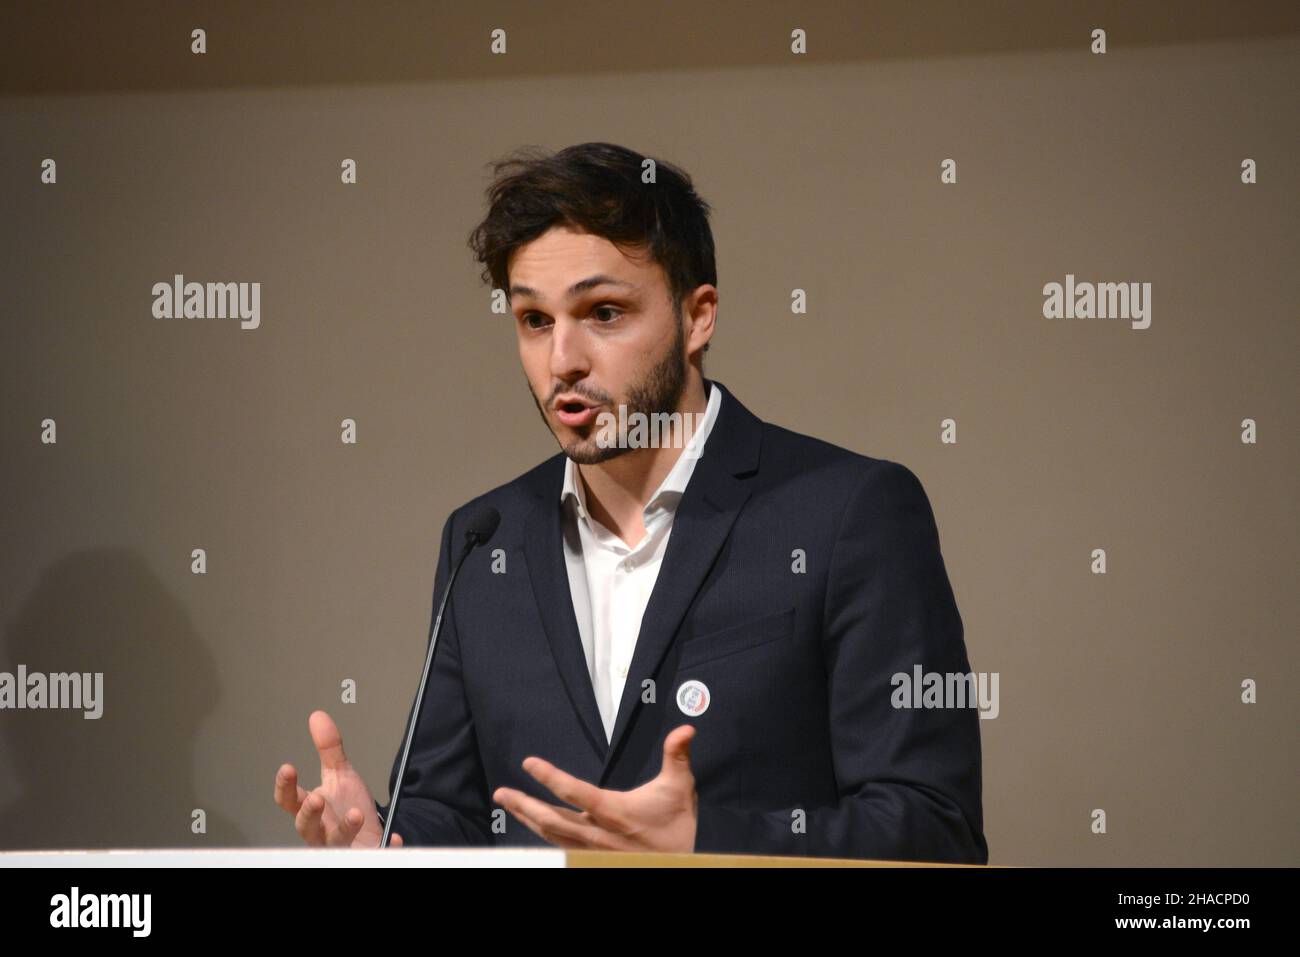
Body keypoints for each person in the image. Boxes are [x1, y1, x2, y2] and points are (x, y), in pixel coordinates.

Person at [274, 142, 988, 862]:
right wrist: (383, 840)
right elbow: (453, 816)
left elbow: (935, 829)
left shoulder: (849, 512)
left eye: (604, 312)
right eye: (535, 320)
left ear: (698, 314)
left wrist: (704, 842)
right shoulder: (483, 539)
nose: (563, 360)